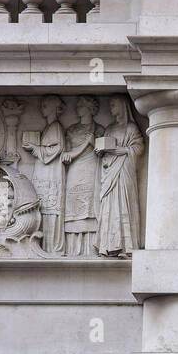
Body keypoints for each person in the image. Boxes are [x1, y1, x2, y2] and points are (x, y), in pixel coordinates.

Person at [94, 96, 144, 258]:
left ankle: (126, 247)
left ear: (122, 106)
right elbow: (105, 148)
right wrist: (101, 152)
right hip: (109, 171)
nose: (111, 108)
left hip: (123, 171)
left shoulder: (130, 128)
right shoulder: (109, 128)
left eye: (113, 104)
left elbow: (138, 147)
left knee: (123, 204)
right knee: (109, 207)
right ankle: (108, 245)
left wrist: (121, 150)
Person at [22, 96, 66, 254]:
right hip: (44, 172)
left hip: (51, 174)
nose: (42, 108)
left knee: (50, 209)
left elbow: (56, 149)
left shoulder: (56, 127)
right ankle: (45, 246)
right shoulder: (50, 127)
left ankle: (52, 247)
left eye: (46, 105)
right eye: (42, 104)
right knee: (45, 208)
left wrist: (35, 148)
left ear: (55, 108)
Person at [62, 96, 100, 257]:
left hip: (91, 170)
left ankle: (90, 248)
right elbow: (66, 154)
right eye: (78, 105)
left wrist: (95, 142)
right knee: (74, 207)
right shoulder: (71, 130)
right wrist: (87, 144)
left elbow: (105, 153)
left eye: (82, 105)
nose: (78, 108)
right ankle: (73, 249)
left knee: (90, 206)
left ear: (90, 109)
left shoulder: (100, 129)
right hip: (75, 170)